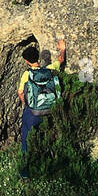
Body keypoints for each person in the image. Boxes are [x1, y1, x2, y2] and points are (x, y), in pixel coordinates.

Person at [17, 39, 66, 177]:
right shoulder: (50, 69)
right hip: (49, 110)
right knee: (45, 136)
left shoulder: (27, 74)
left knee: (26, 139)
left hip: (32, 112)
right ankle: (47, 166)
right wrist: (62, 48)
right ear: (38, 58)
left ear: (26, 61)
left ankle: (25, 172)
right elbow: (61, 60)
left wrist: (24, 104)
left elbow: (20, 92)